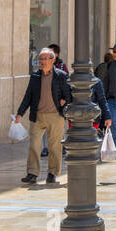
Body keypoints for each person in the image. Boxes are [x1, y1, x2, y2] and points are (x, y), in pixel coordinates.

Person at [16, 48, 72, 185]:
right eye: (40, 59)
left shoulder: (61, 75)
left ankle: (52, 173)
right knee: (34, 145)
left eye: (45, 59)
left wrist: (65, 101)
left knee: (54, 147)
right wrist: (20, 113)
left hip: (55, 116)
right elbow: (28, 96)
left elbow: (69, 95)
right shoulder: (35, 76)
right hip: (38, 116)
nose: (42, 62)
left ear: (52, 60)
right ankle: (32, 173)